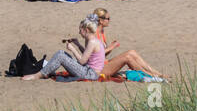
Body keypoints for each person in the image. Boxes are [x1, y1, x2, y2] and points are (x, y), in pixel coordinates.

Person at [23, 13, 162, 81]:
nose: (79, 32)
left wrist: (73, 50)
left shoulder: (92, 42)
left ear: (86, 30)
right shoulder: (94, 40)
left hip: (90, 74)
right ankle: (155, 74)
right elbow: (90, 56)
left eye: (80, 30)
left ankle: (38, 75)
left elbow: (83, 61)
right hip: (91, 70)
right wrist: (77, 44)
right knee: (62, 55)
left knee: (60, 54)